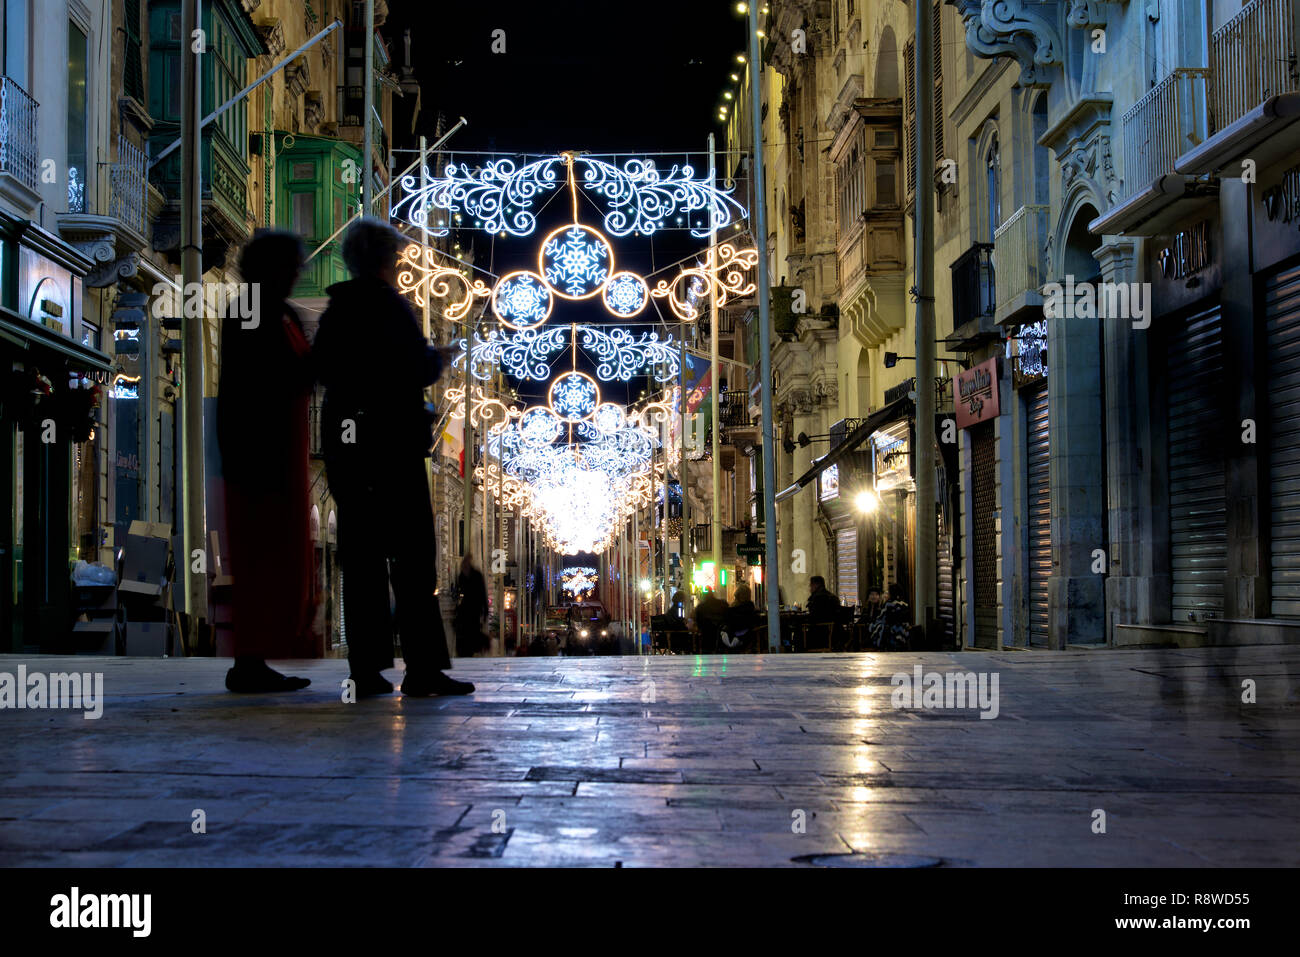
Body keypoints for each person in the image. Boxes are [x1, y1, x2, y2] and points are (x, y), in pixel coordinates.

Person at [312, 218, 473, 698]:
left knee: (361, 559)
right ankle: (422, 668)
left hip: (347, 446)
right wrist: (438, 356)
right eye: (398, 258)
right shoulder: (389, 306)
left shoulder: (338, 308)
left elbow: (321, 366)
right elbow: (416, 366)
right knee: (412, 558)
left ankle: (366, 668)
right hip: (393, 448)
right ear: (386, 260)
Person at [217, 231, 315, 693]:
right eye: (291, 265)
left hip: (283, 452)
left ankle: (257, 658)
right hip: (259, 456)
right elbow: (270, 378)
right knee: (261, 560)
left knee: (281, 559)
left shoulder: (281, 311)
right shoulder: (250, 311)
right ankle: (249, 661)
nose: (298, 273)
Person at [453, 554, 490, 658]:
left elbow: (482, 593)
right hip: (467, 608)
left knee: (472, 630)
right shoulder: (462, 575)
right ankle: (466, 650)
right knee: (465, 630)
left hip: (474, 608)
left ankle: (470, 649)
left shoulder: (477, 575)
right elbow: (459, 590)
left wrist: (485, 611)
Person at [870, 583, 912, 651]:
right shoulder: (905, 604)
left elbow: (881, 618)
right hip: (904, 633)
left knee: (875, 626)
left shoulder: (888, 604)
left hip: (891, 633)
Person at [722, 582, 759, 651]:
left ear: (736, 595)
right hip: (746, 637)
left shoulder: (730, 610)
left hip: (731, 633)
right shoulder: (750, 607)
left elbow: (726, 621)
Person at [694, 587, 728, 653]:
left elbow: (699, 623)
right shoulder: (722, 604)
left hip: (706, 635)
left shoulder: (701, 607)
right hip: (720, 634)